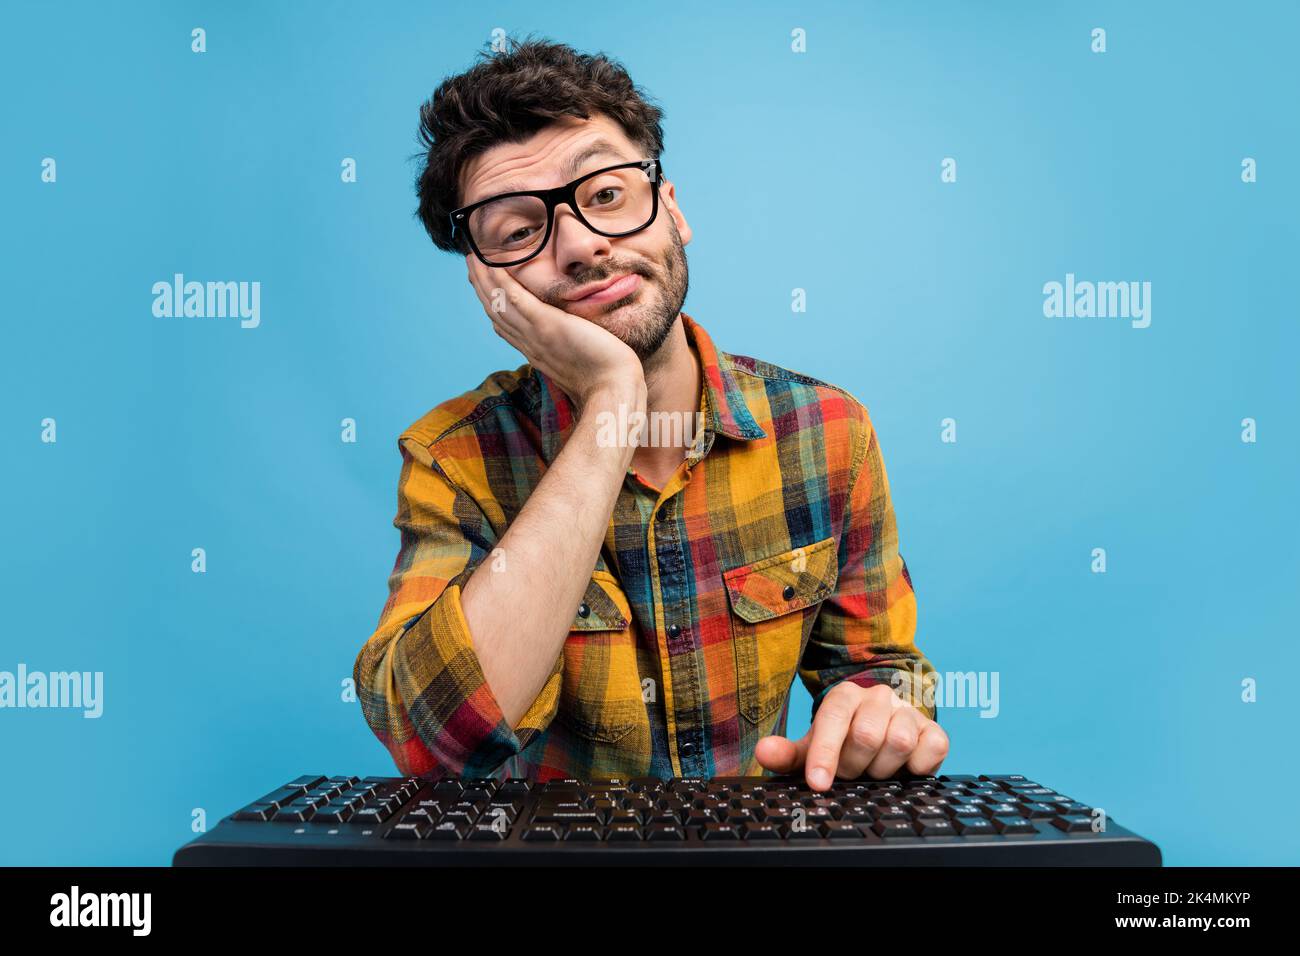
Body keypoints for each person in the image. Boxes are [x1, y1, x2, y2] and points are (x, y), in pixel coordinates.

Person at [353, 37, 946, 791]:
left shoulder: (828, 431)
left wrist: (880, 716)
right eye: (519, 230)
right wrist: (611, 401)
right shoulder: (453, 457)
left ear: (671, 209)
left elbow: (883, 672)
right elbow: (437, 742)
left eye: (605, 194)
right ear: (490, 288)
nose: (582, 247)